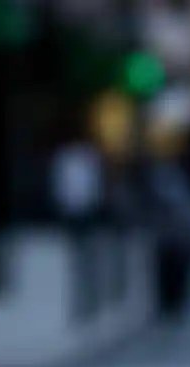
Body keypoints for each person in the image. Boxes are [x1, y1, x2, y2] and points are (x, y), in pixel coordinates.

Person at [51, 131, 104, 322]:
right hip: (73, 212)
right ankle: (80, 303)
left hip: (85, 212)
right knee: (77, 258)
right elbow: (62, 185)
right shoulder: (65, 158)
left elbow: (93, 185)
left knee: (87, 257)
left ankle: (89, 302)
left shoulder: (88, 158)